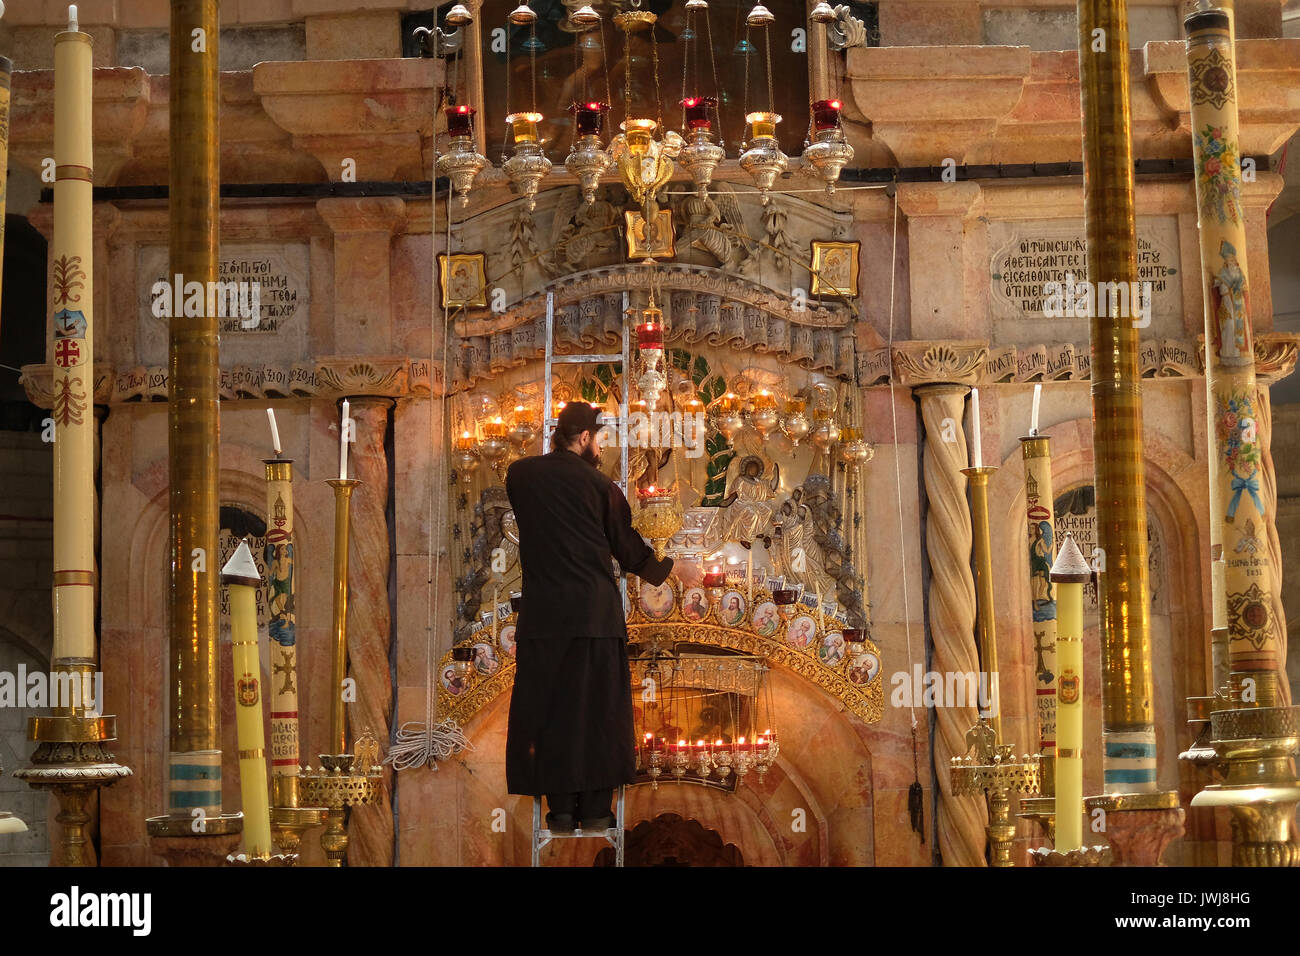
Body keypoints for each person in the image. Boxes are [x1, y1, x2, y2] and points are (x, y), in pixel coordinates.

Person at [505, 401, 673, 833]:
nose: (600, 447)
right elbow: (630, 551)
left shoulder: (520, 476)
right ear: (584, 438)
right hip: (594, 619)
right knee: (598, 712)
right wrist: (670, 570)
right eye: (598, 439)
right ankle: (597, 810)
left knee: (551, 711)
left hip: (543, 621)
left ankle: (559, 811)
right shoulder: (602, 488)